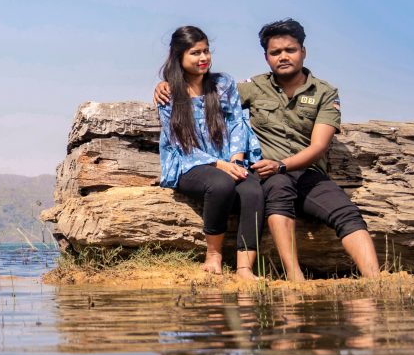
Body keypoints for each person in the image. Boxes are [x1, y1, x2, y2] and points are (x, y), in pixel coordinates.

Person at [155, 18, 380, 281]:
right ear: (266, 57)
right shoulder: (254, 86)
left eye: (290, 50)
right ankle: (295, 279)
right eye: (276, 52)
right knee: (271, 190)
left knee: (346, 212)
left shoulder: (324, 92)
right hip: (268, 173)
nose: (283, 57)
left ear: (303, 52)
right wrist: (164, 84)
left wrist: (251, 160)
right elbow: (204, 103)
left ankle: (375, 280)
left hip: (306, 172)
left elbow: (317, 145)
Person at [157, 26, 264, 279]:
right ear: (178, 56)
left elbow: (237, 121)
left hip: (229, 159)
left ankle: (244, 268)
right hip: (188, 163)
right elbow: (179, 142)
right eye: (195, 53)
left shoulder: (222, 83)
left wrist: (236, 158)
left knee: (253, 190)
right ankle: (213, 255)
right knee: (221, 184)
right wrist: (220, 165)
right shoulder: (169, 92)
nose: (203, 58)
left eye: (206, 51)